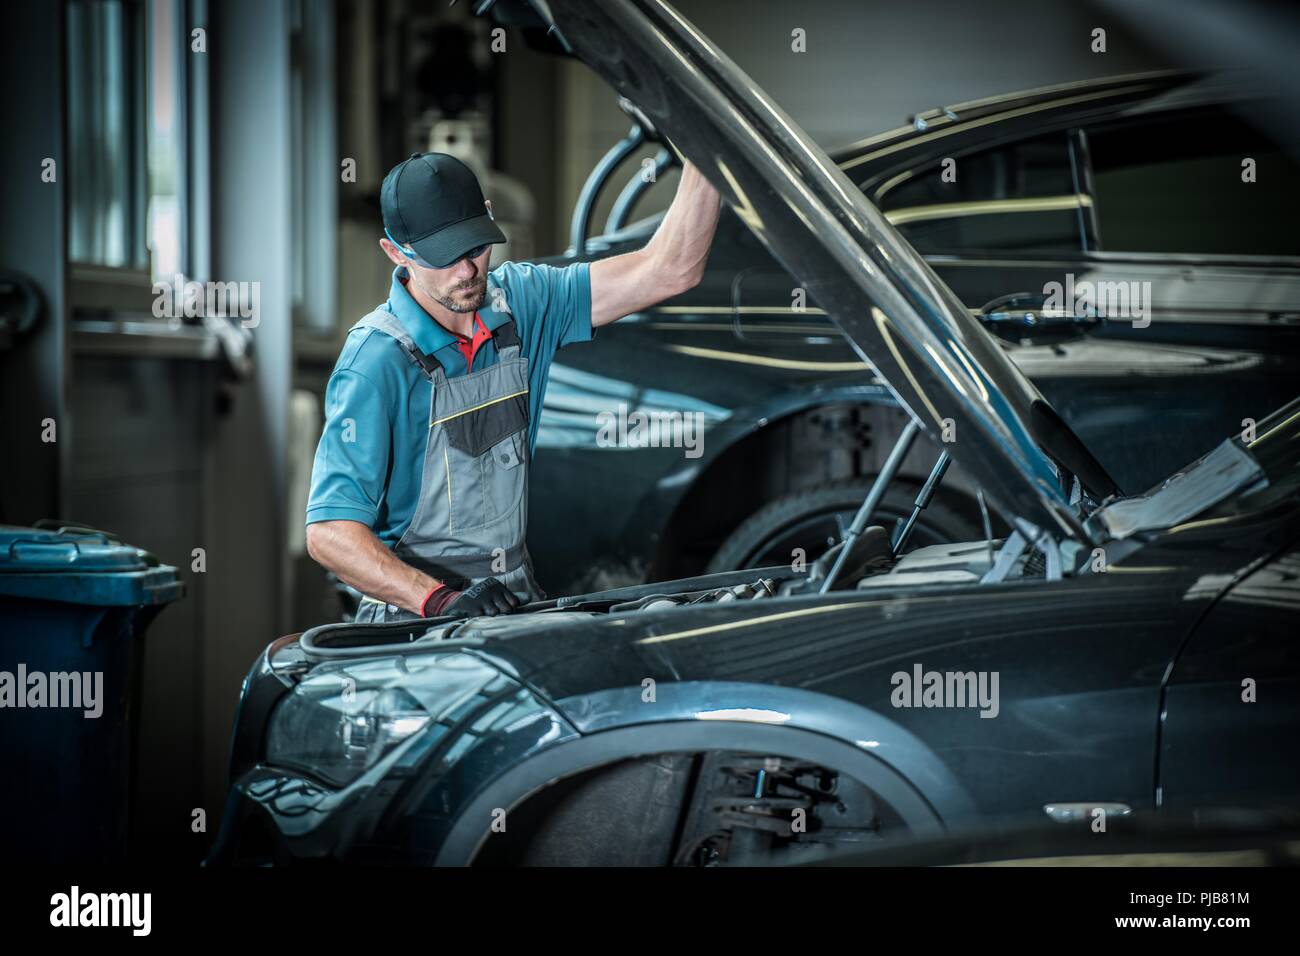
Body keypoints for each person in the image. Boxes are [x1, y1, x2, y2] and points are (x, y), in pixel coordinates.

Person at [305, 151, 720, 621]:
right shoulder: (375, 363)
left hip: (513, 605)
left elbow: (672, 268)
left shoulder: (522, 303)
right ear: (396, 252)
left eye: (476, 247)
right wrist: (440, 600)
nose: (467, 271)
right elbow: (330, 533)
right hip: (416, 624)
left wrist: (707, 151)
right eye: (444, 257)